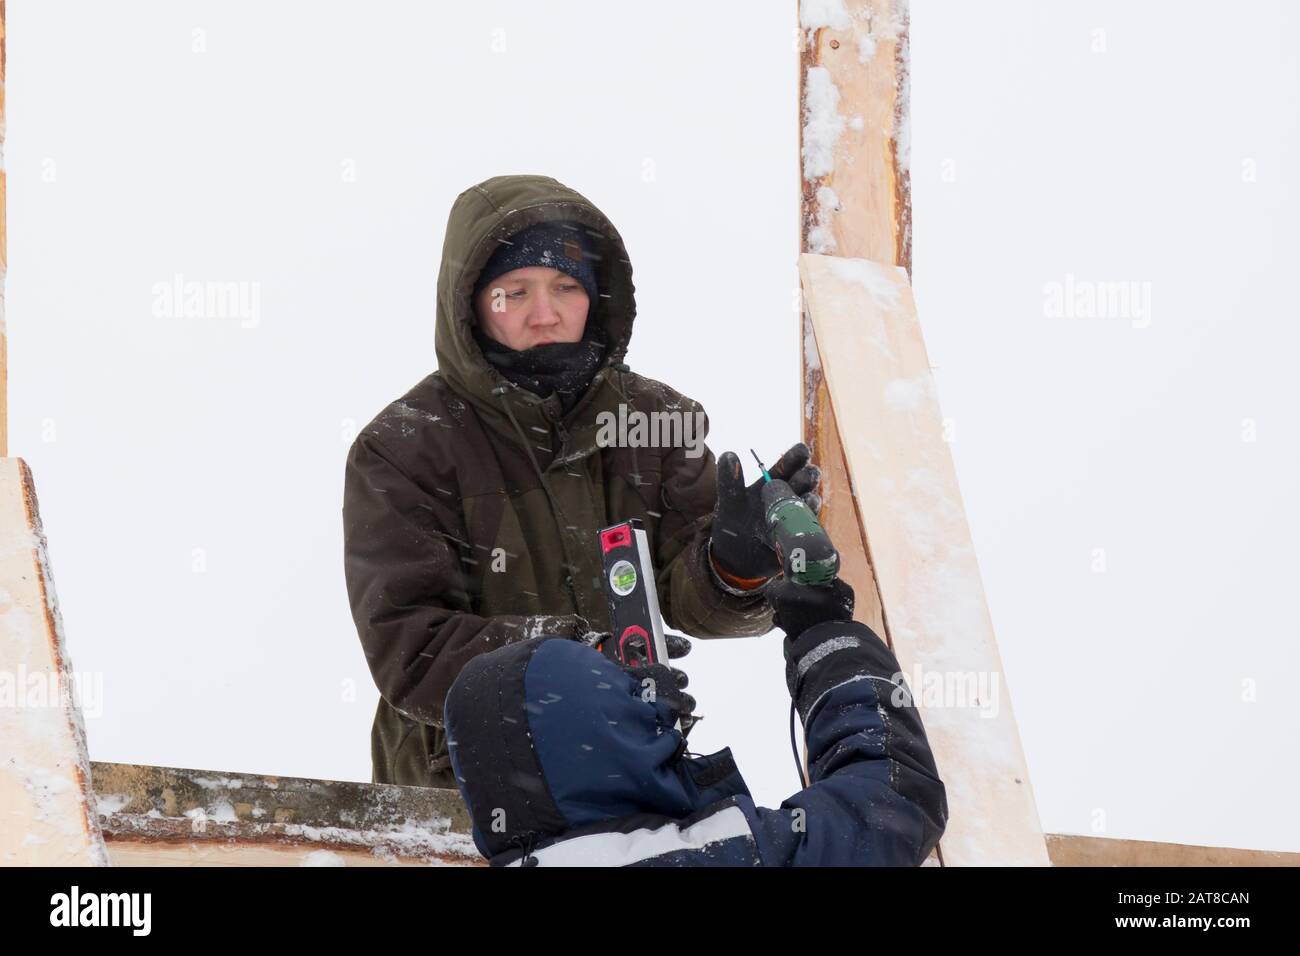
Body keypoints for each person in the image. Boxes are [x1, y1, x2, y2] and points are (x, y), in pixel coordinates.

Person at [343, 174, 821, 788]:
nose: (546, 314)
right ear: (469, 303)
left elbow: (697, 597)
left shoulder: (652, 421)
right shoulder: (403, 447)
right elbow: (412, 648)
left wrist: (737, 567)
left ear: (598, 296)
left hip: (628, 770)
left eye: (566, 287)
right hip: (463, 787)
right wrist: (578, 663)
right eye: (514, 292)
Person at [443, 577, 948, 866]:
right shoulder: (710, 857)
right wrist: (829, 640)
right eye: (620, 698)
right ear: (598, 739)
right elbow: (891, 805)